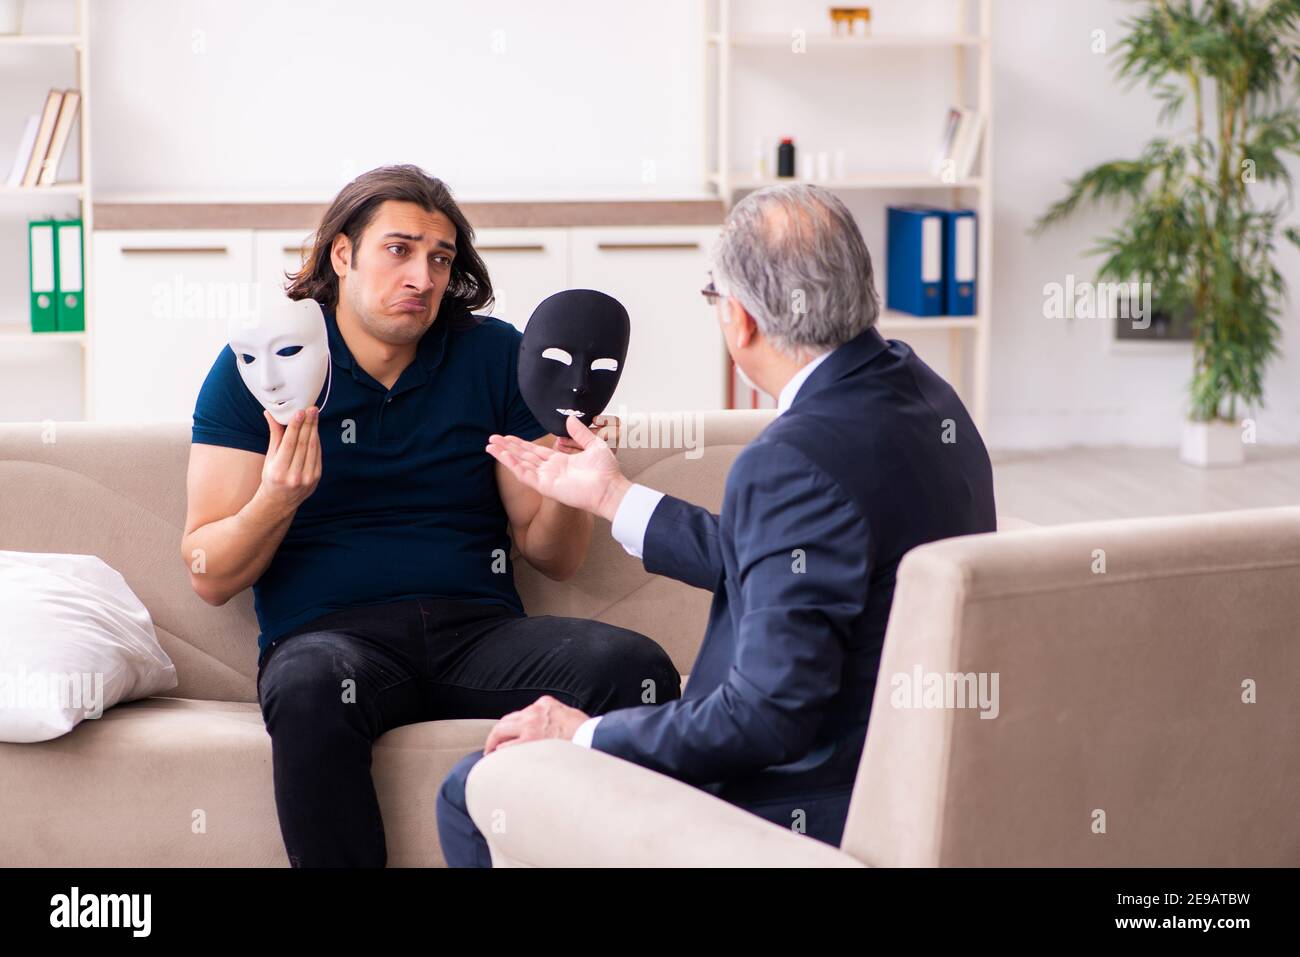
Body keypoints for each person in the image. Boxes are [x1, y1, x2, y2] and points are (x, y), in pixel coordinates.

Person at [436, 183, 997, 865]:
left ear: (741, 319)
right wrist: (614, 496)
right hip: (908, 775)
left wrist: (585, 732)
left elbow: (764, 718)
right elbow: (802, 559)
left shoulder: (793, 458)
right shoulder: (930, 397)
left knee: (471, 788)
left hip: (795, 808)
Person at [181, 164, 679, 867]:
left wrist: (571, 490)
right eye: (400, 249)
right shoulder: (266, 361)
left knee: (636, 667)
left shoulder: (495, 354)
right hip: (331, 642)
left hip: (475, 633)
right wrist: (278, 497)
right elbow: (208, 570)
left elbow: (552, 555)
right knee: (308, 686)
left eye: (440, 258)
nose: (424, 275)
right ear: (343, 254)